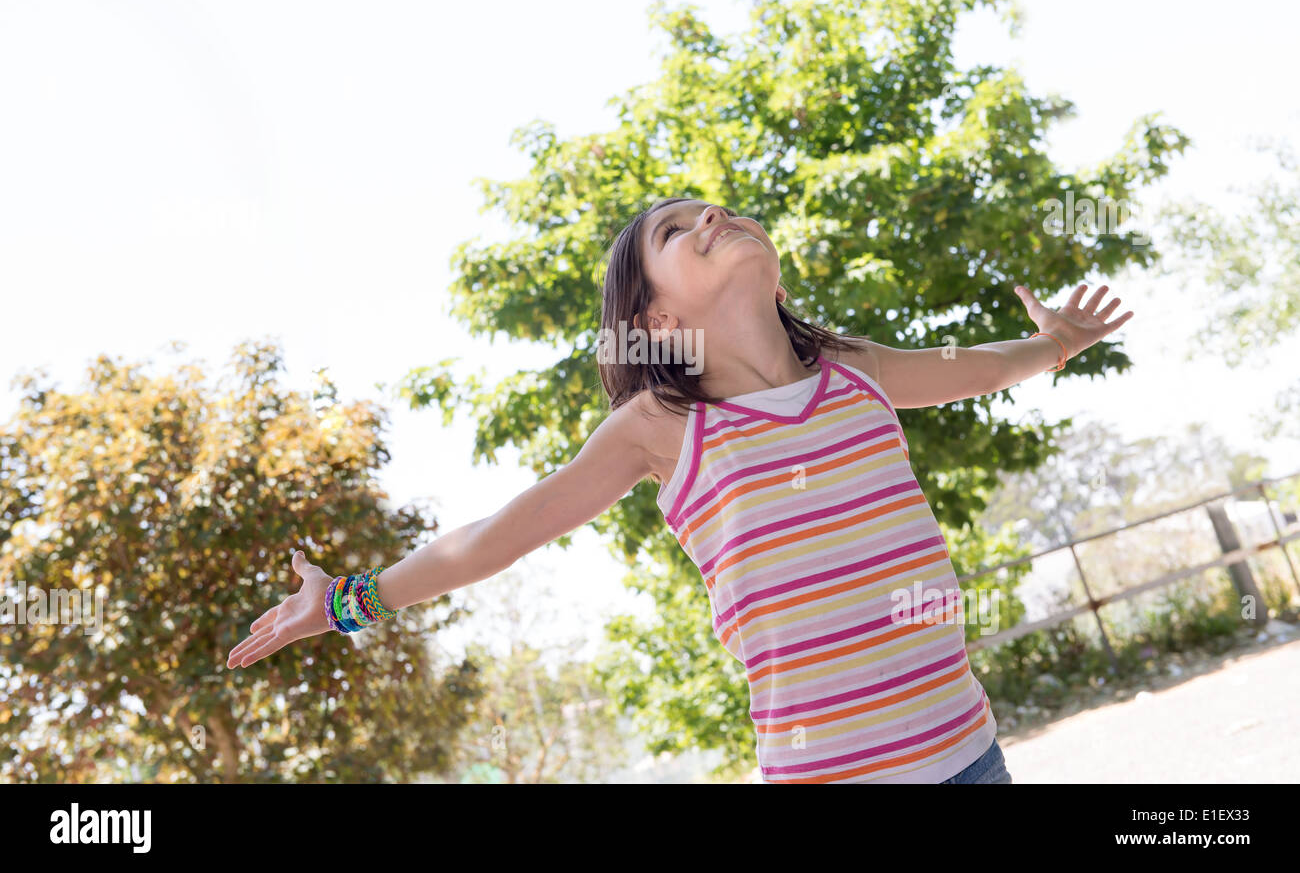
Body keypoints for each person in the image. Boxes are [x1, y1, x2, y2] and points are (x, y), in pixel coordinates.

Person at [226, 196, 1133, 784]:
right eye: (678, 230)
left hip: (970, 752)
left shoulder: (852, 369)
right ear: (656, 317)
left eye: (718, 211)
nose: (712, 218)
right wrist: (348, 600)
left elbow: (964, 367)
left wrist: (1053, 345)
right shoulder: (662, 428)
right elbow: (498, 534)